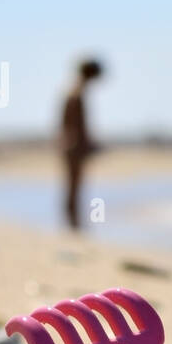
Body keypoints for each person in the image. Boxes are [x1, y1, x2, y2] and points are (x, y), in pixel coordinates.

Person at [60, 58, 103, 230]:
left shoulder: (75, 92)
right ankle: (73, 225)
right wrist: (83, 144)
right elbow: (73, 125)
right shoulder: (76, 94)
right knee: (73, 187)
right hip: (74, 147)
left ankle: (74, 224)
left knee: (74, 187)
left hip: (73, 146)